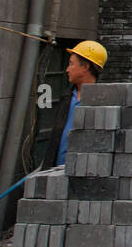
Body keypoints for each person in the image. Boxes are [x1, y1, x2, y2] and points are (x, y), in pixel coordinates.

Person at [45, 40, 107, 168]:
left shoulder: (102, 103)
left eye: (71, 64)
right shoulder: (67, 97)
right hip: (56, 171)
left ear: (85, 67)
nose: (67, 70)